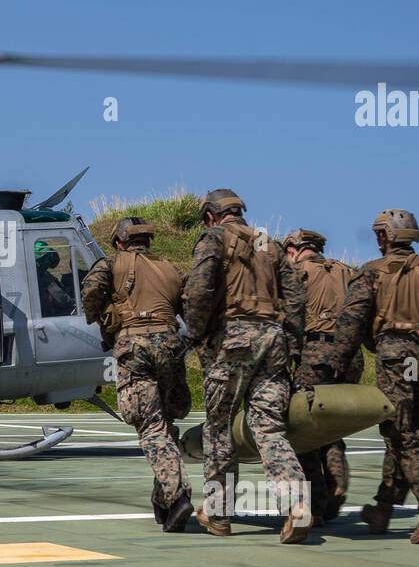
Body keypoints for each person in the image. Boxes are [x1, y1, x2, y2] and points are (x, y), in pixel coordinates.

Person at [325, 210, 419, 544]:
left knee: (401, 431)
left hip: (395, 354)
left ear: (385, 236)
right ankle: (383, 508)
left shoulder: (372, 272)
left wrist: (337, 362)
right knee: (403, 430)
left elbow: (351, 321)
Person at [183, 189, 311, 543]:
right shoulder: (268, 244)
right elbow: (297, 296)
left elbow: (199, 290)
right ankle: (298, 504)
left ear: (211, 216)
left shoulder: (213, 239)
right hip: (273, 343)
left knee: (219, 426)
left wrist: (194, 333)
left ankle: (218, 513)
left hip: (232, 343)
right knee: (268, 428)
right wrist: (293, 341)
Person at [82, 216, 194, 533]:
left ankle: (177, 495)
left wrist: (105, 320)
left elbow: (90, 292)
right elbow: (193, 307)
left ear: (119, 242)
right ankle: (164, 501)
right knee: (165, 425)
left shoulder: (110, 264)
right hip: (171, 348)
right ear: (148, 241)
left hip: (134, 348)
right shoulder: (172, 269)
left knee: (151, 427)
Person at [283, 228, 364, 522]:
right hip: (350, 356)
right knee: (333, 425)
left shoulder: (295, 273)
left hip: (315, 354)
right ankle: (338, 480)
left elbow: (288, 315)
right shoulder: (347, 272)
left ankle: (315, 503)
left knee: (304, 430)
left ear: (293, 249)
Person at [33, 239, 77, 316]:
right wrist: (75, 302)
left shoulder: (41, 272)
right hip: (50, 314)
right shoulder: (41, 276)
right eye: (47, 257)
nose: (50, 260)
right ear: (40, 260)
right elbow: (61, 299)